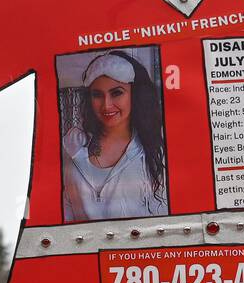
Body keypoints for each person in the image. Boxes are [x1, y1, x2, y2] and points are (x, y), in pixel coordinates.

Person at [61, 50, 166, 222]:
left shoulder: (155, 151)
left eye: (116, 93)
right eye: (97, 95)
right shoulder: (71, 145)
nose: (106, 105)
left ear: (135, 95)